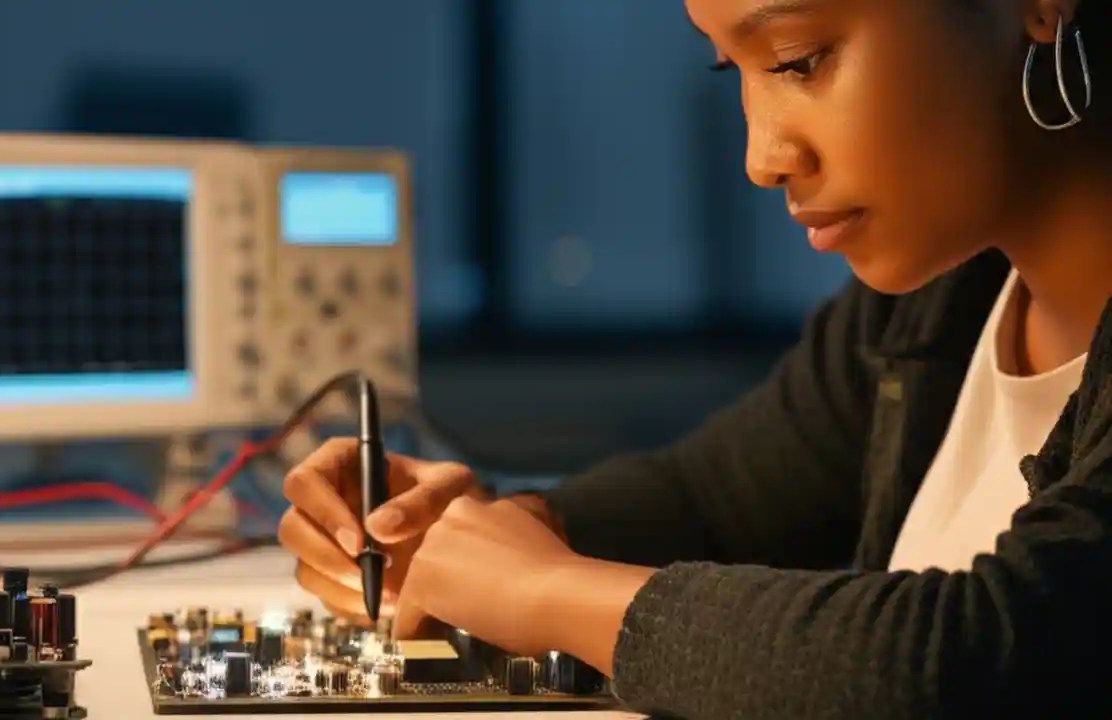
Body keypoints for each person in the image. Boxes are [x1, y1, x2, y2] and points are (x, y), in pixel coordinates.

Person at [278, 0, 1112, 716]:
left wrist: (541, 591)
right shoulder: (942, 304)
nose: (762, 158)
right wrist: (497, 532)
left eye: (798, 59)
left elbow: (984, 658)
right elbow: (715, 498)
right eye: (732, 71)